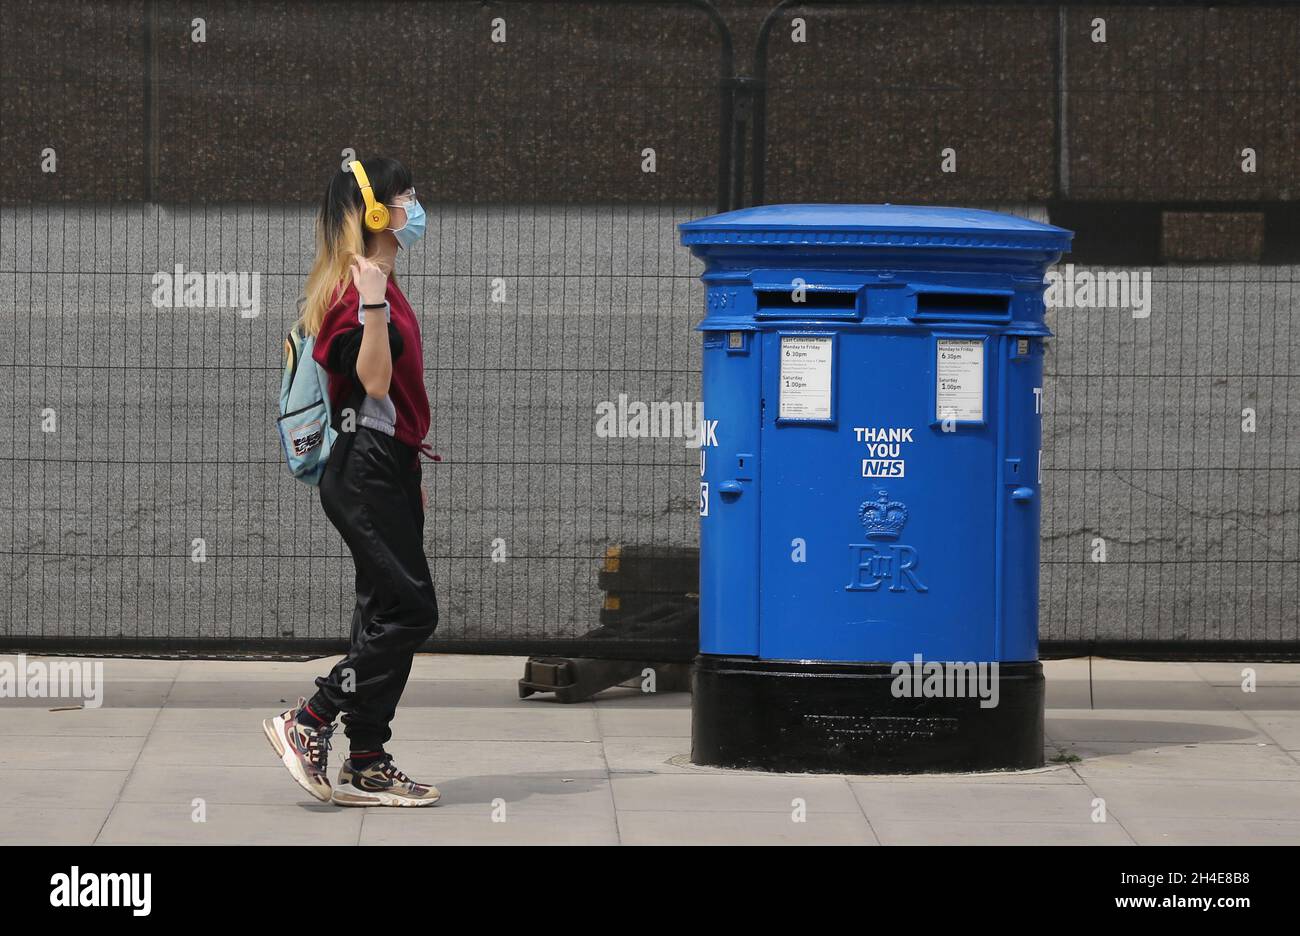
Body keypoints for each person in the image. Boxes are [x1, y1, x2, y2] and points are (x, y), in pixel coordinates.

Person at [263, 157, 442, 807]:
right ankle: (311, 718)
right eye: (406, 197)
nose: (415, 207)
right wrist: (369, 304)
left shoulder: (380, 284)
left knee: (384, 614)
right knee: (415, 609)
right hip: (363, 468)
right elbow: (369, 382)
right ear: (373, 213)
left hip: (387, 467)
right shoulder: (351, 291)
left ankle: (367, 759)